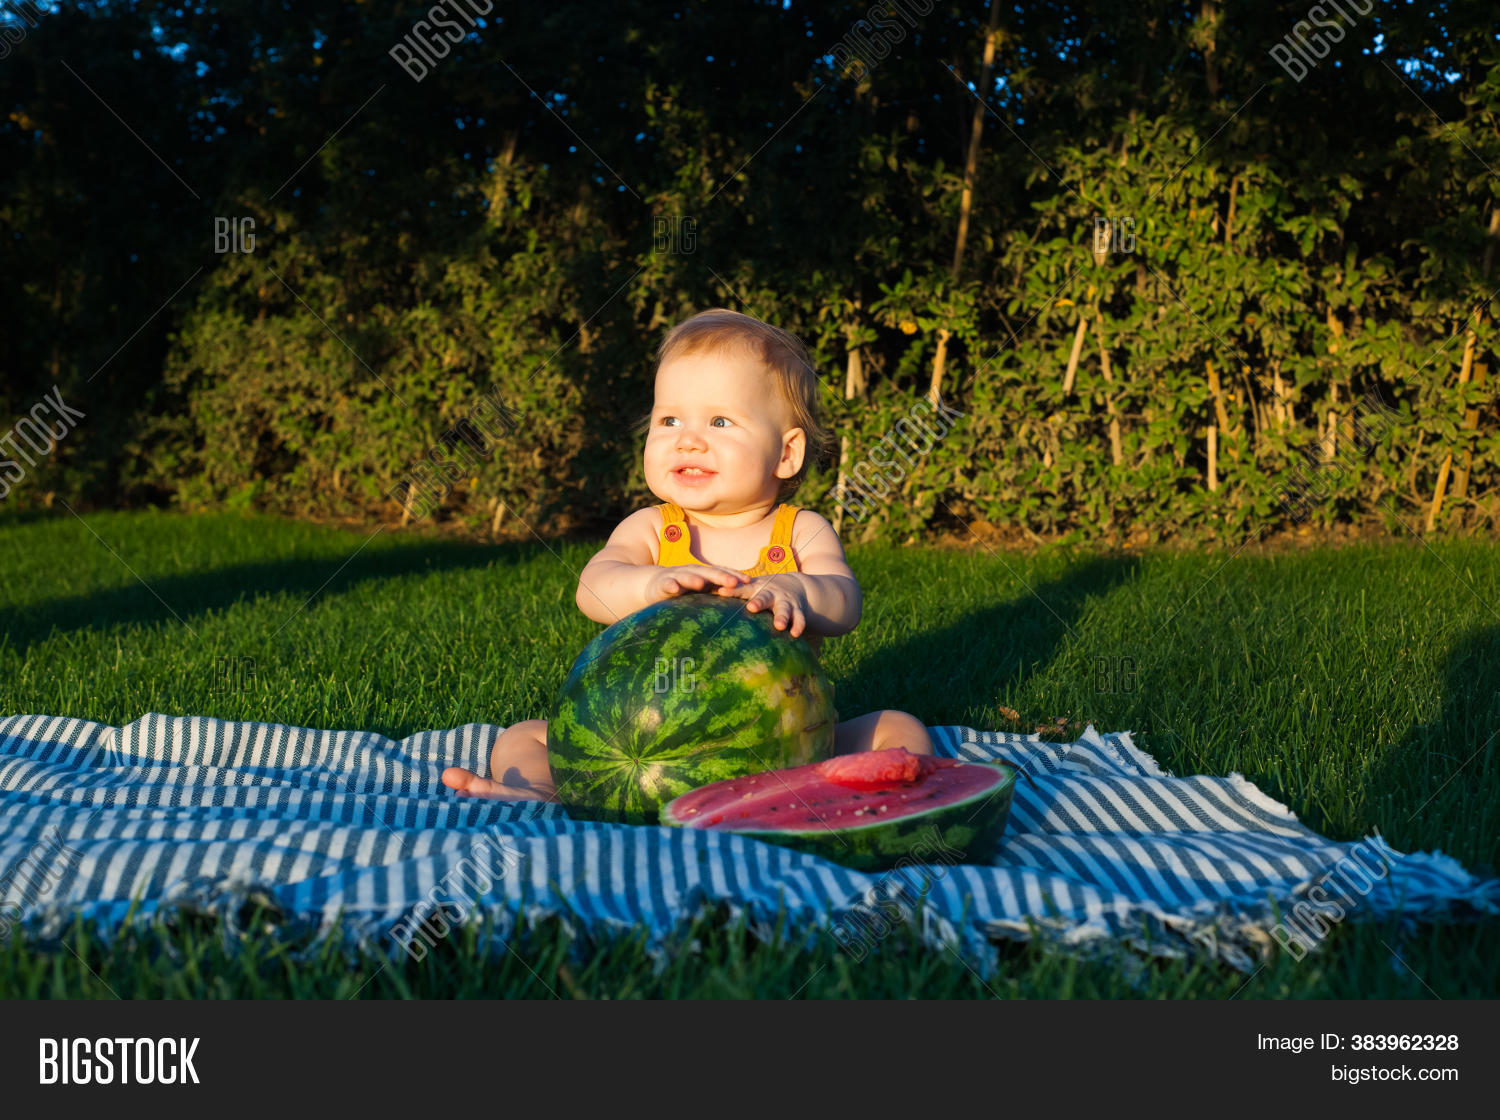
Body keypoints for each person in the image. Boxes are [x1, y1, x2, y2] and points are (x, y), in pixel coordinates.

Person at [441, 308, 933, 801]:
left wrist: (796, 589)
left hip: (785, 737)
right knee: (524, 735)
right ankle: (538, 794)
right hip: (641, 729)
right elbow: (591, 588)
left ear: (787, 454)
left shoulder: (801, 530)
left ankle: (891, 800)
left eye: (720, 421)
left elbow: (846, 603)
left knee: (896, 728)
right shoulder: (653, 528)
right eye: (669, 419)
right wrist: (649, 583)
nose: (689, 439)